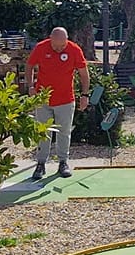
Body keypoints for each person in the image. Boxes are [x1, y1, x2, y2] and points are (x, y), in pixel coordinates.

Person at [23, 26, 88, 182]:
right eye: (56, 45)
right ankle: (40, 163)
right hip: (43, 98)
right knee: (43, 131)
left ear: (67, 40)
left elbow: (84, 73)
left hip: (65, 99)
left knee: (64, 131)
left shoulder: (74, 50)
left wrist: (85, 94)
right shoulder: (41, 47)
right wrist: (31, 85)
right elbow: (29, 65)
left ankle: (63, 162)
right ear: (50, 39)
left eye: (62, 46)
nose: (59, 49)